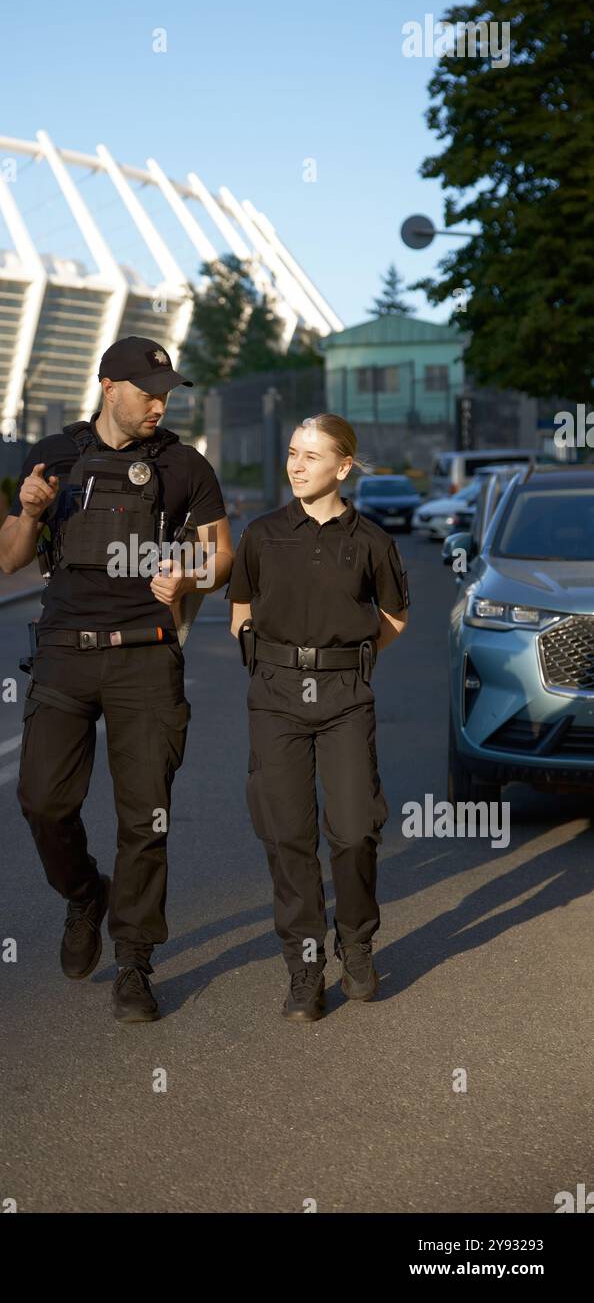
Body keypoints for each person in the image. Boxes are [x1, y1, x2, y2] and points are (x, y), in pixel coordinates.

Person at [0, 336, 233, 1023]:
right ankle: (83, 895)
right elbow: (10, 558)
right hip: (65, 653)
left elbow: (224, 558)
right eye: (147, 390)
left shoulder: (185, 466)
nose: (160, 403)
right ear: (108, 385)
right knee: (42, 801)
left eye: (167, 393)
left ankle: (135, 961)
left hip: (146, 656)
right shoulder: (55, 455)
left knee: (145, 818)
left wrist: (190, 574)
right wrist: (31, 509)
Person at [226, 413, 409, 1023]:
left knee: (355, 829)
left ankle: (356, 944)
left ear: (343, 466)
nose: (296, 465)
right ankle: (305, 969)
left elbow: (394, 618)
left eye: (311, 455)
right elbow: (240, 612)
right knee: (287, 835)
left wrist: (344, 662)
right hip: (275, 693)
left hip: (344, 696)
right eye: (292, 453)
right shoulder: (260, 533)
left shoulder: (374, 541)